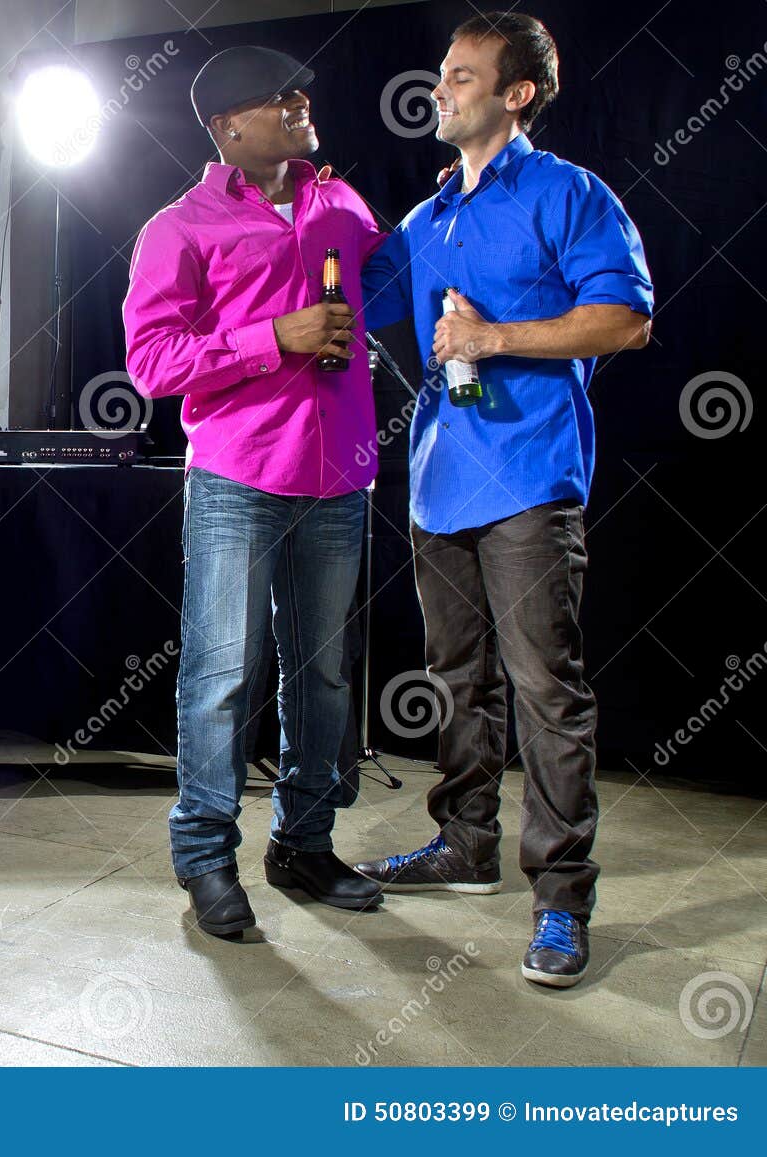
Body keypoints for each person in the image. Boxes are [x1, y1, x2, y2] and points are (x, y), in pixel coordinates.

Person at [358, 11, 653, 988]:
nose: (438, 88)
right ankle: (463, 843)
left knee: (545, 692)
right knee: (458, 679)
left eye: (459, 74)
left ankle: (561, 900)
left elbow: (622, 320)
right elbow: (355, 300)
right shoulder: (427, 217)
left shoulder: (569, 194)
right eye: (440, 74)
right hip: (439, 485)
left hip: (530, 480)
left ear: (514, 93)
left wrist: (495, 340)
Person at [122, 45, 385, 937]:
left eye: (302, 92)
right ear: (228, 126)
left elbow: (391, 295)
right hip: (237, 474)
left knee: (323, 674)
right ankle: (204, 856)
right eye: (279, 98)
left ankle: (304, 845)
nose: (300, 103)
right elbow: (153, 366)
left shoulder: (342, 203)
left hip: (340, 474)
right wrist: (278, 335)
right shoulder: (179, 228)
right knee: (221, 676)